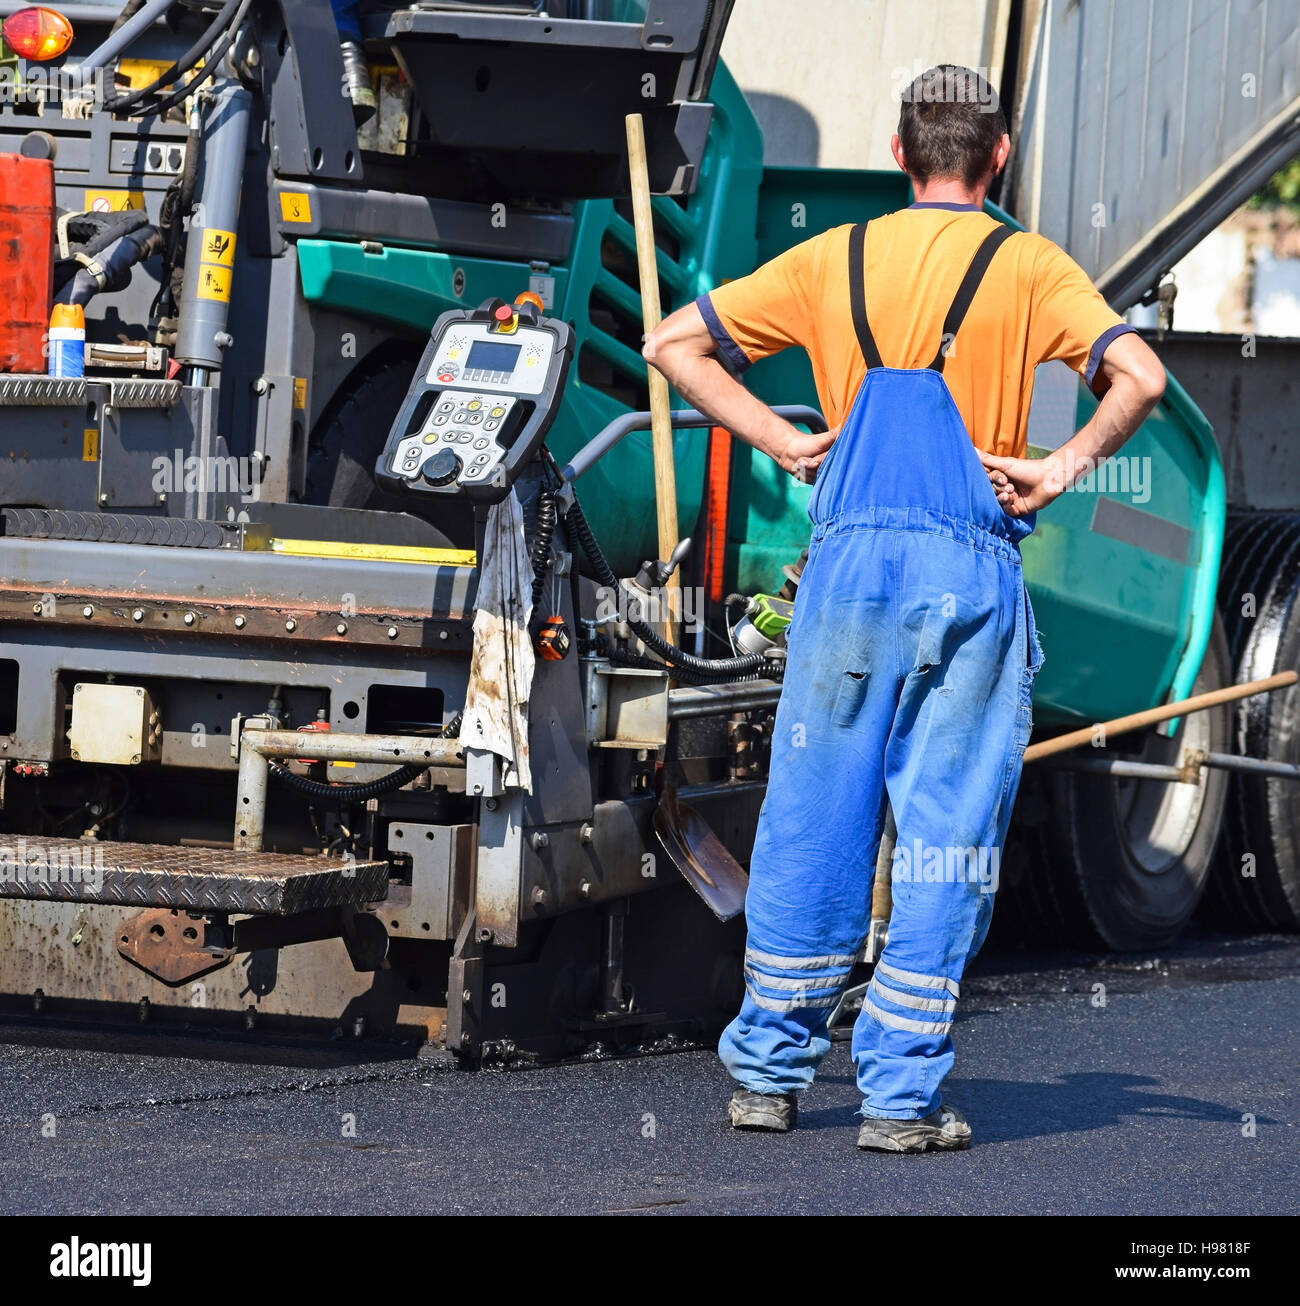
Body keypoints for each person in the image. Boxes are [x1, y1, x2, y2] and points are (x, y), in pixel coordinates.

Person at [643, 64, 1166, 1153]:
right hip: (965, 576)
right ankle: (899, 1096)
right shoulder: (1028, 265)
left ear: (897, 155)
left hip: (844, 579)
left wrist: (783, 439)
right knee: (944, 834)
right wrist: (1059, 467)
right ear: (1000, 156)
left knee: (812, 817)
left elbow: (669, 345)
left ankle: (768, 1075)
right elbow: (1142, 378)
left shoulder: (834, 257)